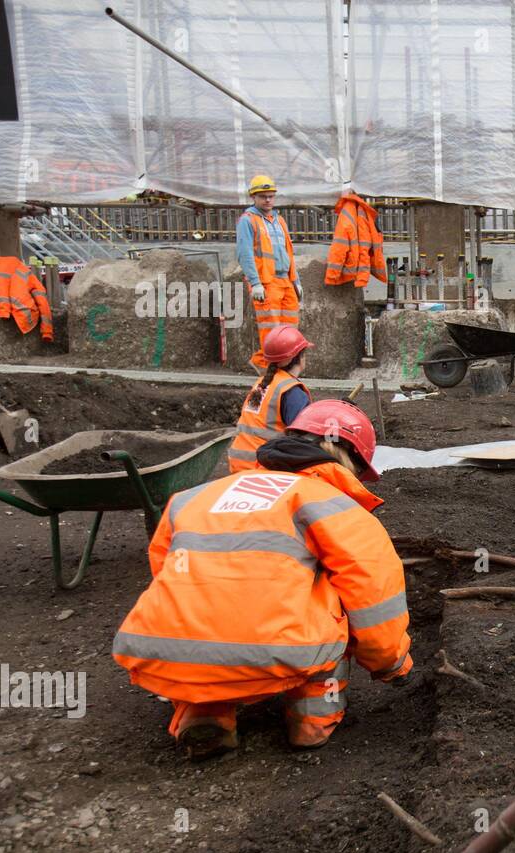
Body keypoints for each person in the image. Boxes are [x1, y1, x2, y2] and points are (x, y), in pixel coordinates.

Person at [113, 400, 412, 760]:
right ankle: (311, 724)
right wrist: (391, 664)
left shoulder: (192, 498)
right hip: (281, 654)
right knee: (336, 606)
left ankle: (203, 712)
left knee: (201, 597)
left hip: (160, 649)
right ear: (350, 457)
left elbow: (168, 577)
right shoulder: (332, 505)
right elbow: (372, 597)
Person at [236, 174, 302, 368]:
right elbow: (245, 253)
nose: (267, 199)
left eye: (270, 195)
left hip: (285, 281)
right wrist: (255, 283)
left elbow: (288, 251)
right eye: (263, 196)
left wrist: (295, 280)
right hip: (266, 283)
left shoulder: (279, 221)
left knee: (289, 331)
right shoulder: (247, 220)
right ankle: (266, 369)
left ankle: (281, 370)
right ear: (253, 197)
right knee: (272, 332)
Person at [228, 326, 313, 472]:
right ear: (298, 357)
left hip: (238, 464)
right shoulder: (292, 392)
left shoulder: (262, 383)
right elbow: (304, 438)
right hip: (262, 467)